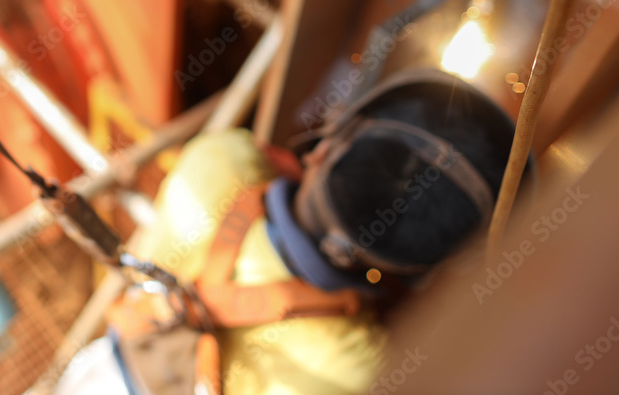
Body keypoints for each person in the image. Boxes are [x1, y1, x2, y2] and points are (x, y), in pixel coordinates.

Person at [53, 69, 528, 395]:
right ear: (418, 270)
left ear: (323, 151)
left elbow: (266, 158)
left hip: (90, 377)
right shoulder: (360, 368)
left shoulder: (221, 162)